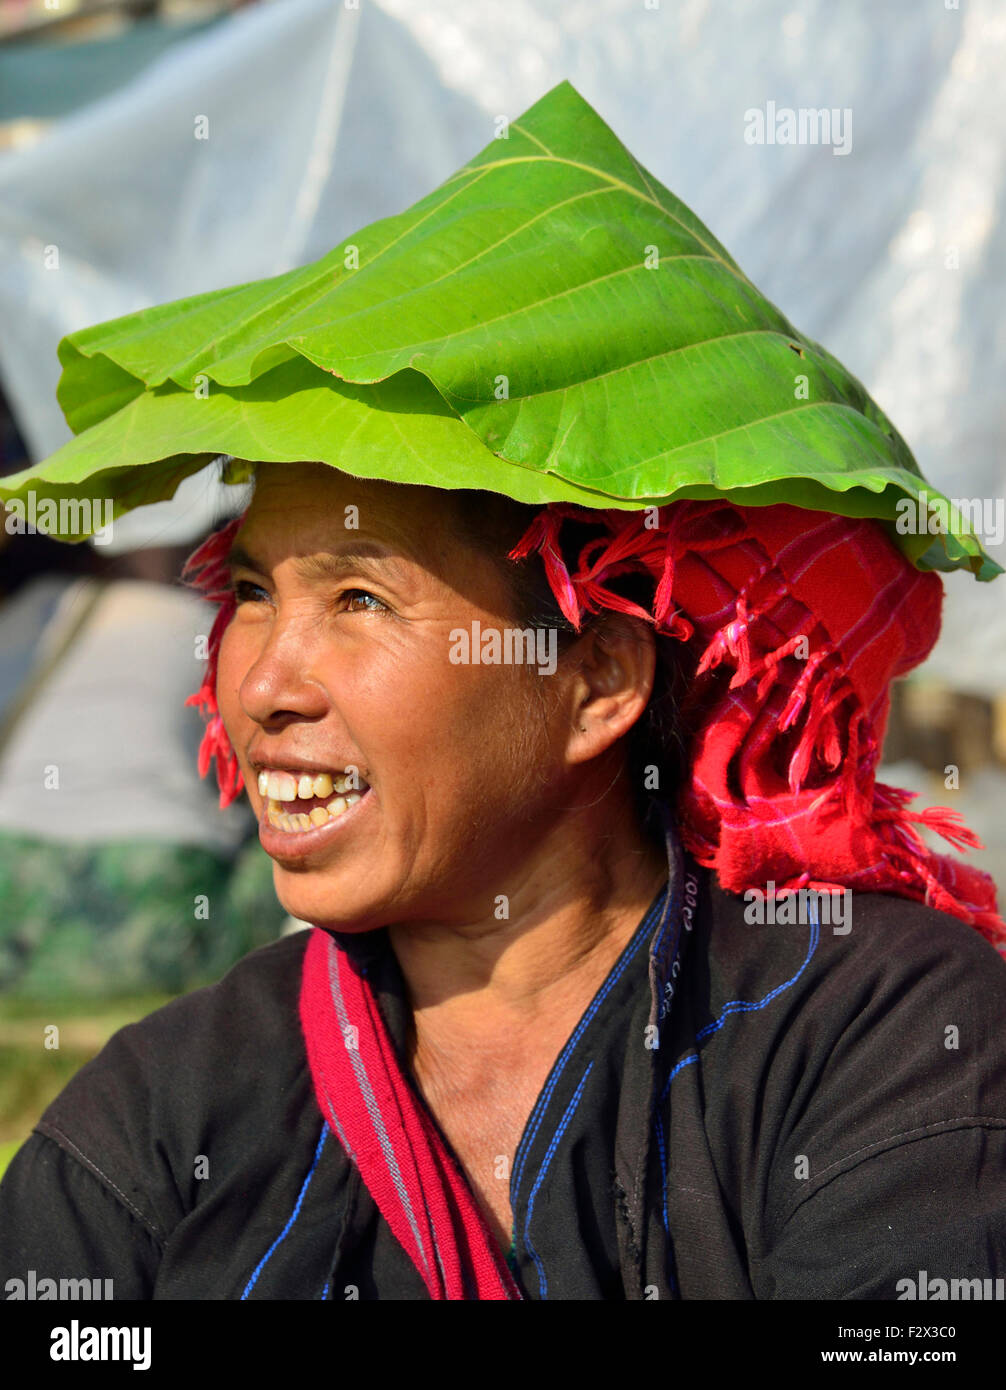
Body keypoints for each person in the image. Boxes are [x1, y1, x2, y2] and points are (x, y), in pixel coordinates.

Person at [1, 80, 1005, 1301]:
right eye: (254, 590)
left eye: (359, 601)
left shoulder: (875, 1033)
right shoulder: (168, 1114)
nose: (258, 681)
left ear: (595, 683)